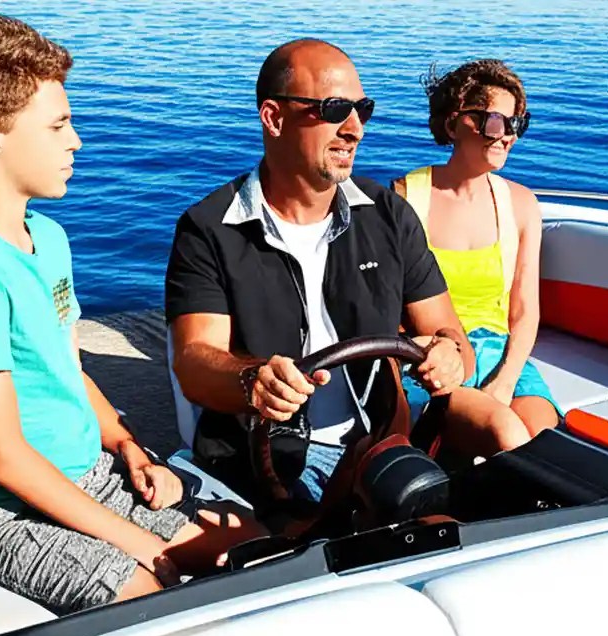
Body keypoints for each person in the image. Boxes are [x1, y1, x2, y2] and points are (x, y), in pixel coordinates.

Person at [0, 12, 261, 616]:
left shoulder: (46, 238)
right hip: (3, 514)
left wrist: (127, 446)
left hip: (89, 473)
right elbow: (1, 456)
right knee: (153, 598)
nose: (76, 140)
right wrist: (138, 543)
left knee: (256, 549)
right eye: (58, 125)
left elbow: (68, 370)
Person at [166, 38, 474, 510]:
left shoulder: (390, 217)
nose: (355, 129)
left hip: (382, 445)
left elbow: (451, 337)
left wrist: (450, 356)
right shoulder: (209, 229)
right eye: (334, 109)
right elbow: (194, 362)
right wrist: (254, 382)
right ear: (273, 118)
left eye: (362, 109)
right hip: (266, 459)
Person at [392, 59, 561, 455]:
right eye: (494, 122)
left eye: (516, 124)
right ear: (453, 125)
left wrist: (504, 381)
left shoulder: (521, 205)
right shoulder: (404, 199)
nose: (507, 136)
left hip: (502, 356)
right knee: (505, 433)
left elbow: (524, 313)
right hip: (431, 362)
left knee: (545, 445)